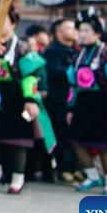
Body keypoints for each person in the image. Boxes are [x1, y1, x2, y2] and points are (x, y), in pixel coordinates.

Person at [0, 6, 55, 194]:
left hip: (17, 99)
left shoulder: (22, 47)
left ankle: (17, 178)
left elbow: (31, 76)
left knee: (18, 140)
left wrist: (30, 99)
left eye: (4, 20)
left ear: (14, 23)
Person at [67, 8, 107, 196]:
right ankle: (92, 175)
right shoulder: (78, 54)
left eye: (87, 30)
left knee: (105, 145)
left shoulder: (106, 53)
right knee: (76, 142)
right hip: (83, 102)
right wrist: (70, 109)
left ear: (97, 33)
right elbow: (73, 85)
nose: (83, 34)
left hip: (103, 102)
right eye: (81, 31)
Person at [42, 18, 79, 182]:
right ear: (59, 32)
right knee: (60, 134)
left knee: (71, 134)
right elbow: (56, 73)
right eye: (70, 28)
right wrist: (75, 72)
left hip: (72, 101)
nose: (74, 31)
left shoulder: (77, 51)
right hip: (58, 100)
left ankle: (73, 167)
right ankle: (61, 169)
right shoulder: (53, 51)